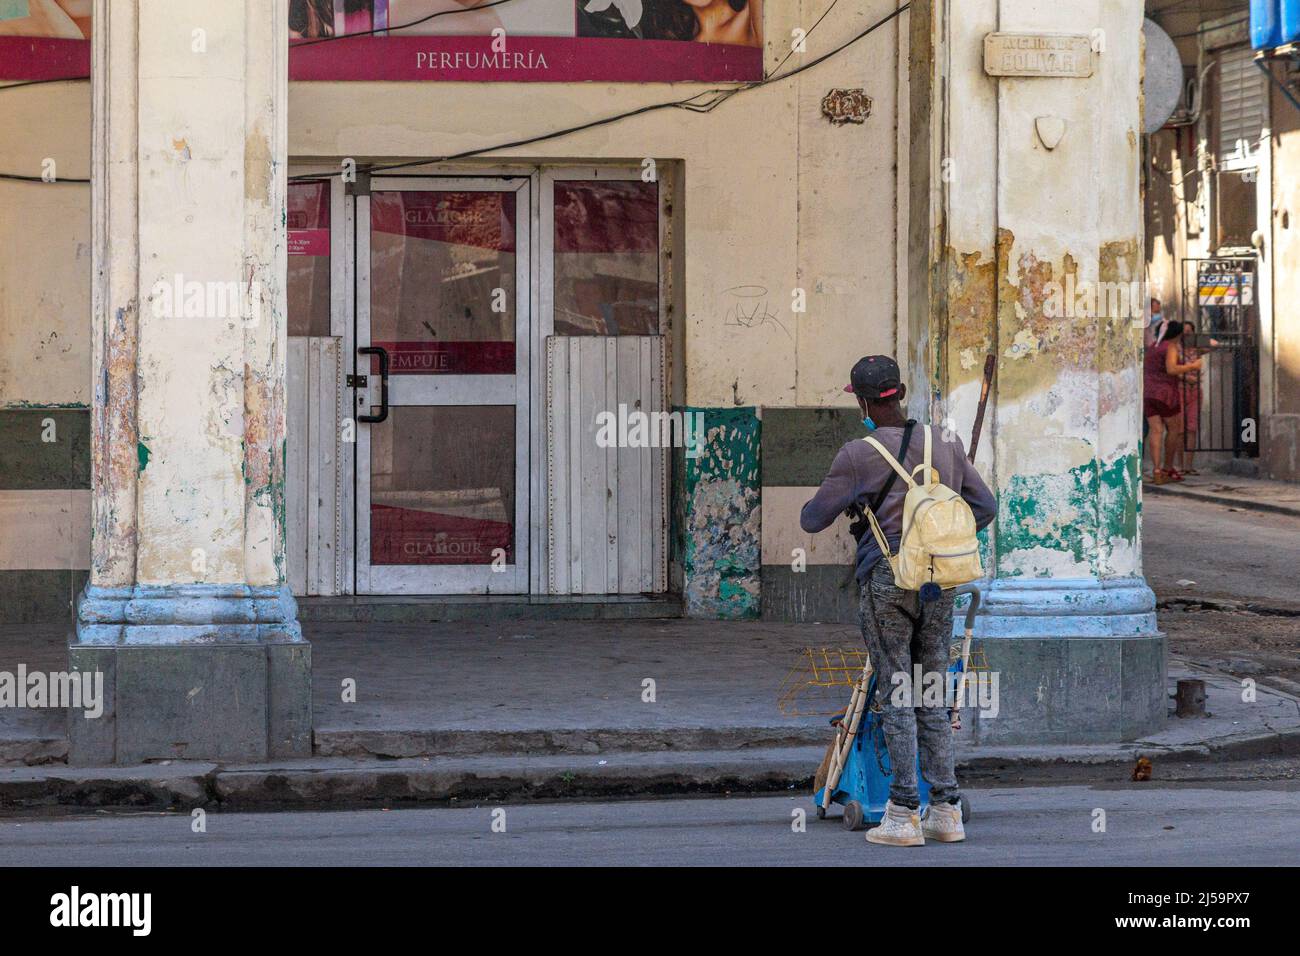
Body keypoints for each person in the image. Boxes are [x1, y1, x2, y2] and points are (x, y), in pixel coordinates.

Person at [800, 356, 996, 847]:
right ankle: (946, 810)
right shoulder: (947, 443)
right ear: (901, 391)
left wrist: (857, 502)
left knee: (896, 696)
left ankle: (903, 813)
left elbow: (811, 520)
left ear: (863, 402)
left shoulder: (856, 454)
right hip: (940, 583)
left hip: (888, 583)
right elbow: (985, 508)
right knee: (931, 690)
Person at [1145, 320, 1204, 485]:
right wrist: (1193, 366)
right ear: (1177, 335)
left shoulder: (1152, 347)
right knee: (1174, 429)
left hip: (1149, 393)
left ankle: (1156, 470)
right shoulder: (1170, 347)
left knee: (1155, 431)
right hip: (1166, 394)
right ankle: (1168, 468)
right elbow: (1171, 369)